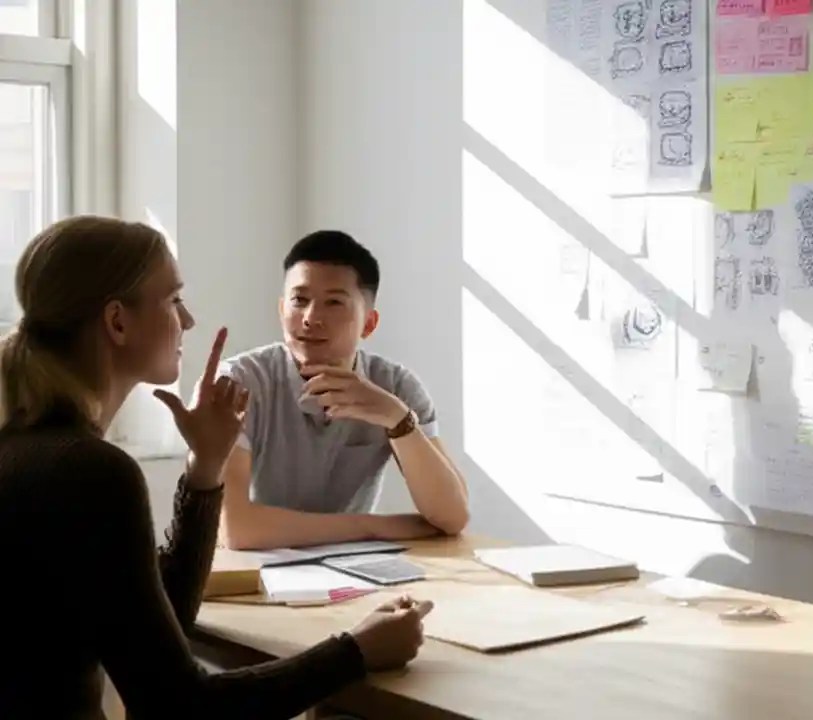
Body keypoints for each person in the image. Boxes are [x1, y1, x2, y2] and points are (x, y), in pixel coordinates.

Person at [0, 216, 431, 718]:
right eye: (173, 300)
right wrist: (356, 651)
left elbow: (166, 630)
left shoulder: (34, 450)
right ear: (117, 322)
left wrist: (205, 469)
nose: (188, 320)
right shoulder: (89, 472)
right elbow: (182, 709)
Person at [216, 230, 468, 551]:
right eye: (299, 300)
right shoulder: (239, 383)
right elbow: (236, 530)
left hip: (353, 570)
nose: (310, 318)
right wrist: (372, 527)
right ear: (282, 310)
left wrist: (396, 417)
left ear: (369, 323)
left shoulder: (396, 387)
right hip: (253, 573)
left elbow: (452, 517)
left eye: (334, 302)